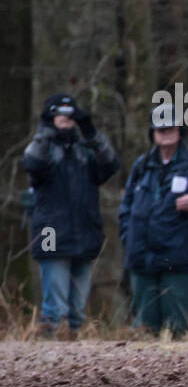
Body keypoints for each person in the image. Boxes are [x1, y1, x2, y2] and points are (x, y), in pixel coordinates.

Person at [118, 103, 188, 336]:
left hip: (180, 260)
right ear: (153, 133)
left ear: (180, 129)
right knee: (144, 332)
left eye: (170, 127)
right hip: (142, 261)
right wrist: (128, 238)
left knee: (179, 331)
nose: (166, 132)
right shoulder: (141, 166)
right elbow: (126, 208)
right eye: (160, 129)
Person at [21, 93, 121, 338]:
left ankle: (71, 347)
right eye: (59, 115)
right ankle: (50, 345)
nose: (65, 120)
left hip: (85, 229)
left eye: (70, 115)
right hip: (49, 230)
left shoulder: (85, 150)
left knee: (77, 309)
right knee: (55, 305)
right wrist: (45, 128)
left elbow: (110, 165)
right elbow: (31, 163)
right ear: (50, 117)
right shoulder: (43, 148)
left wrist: (90, 131)